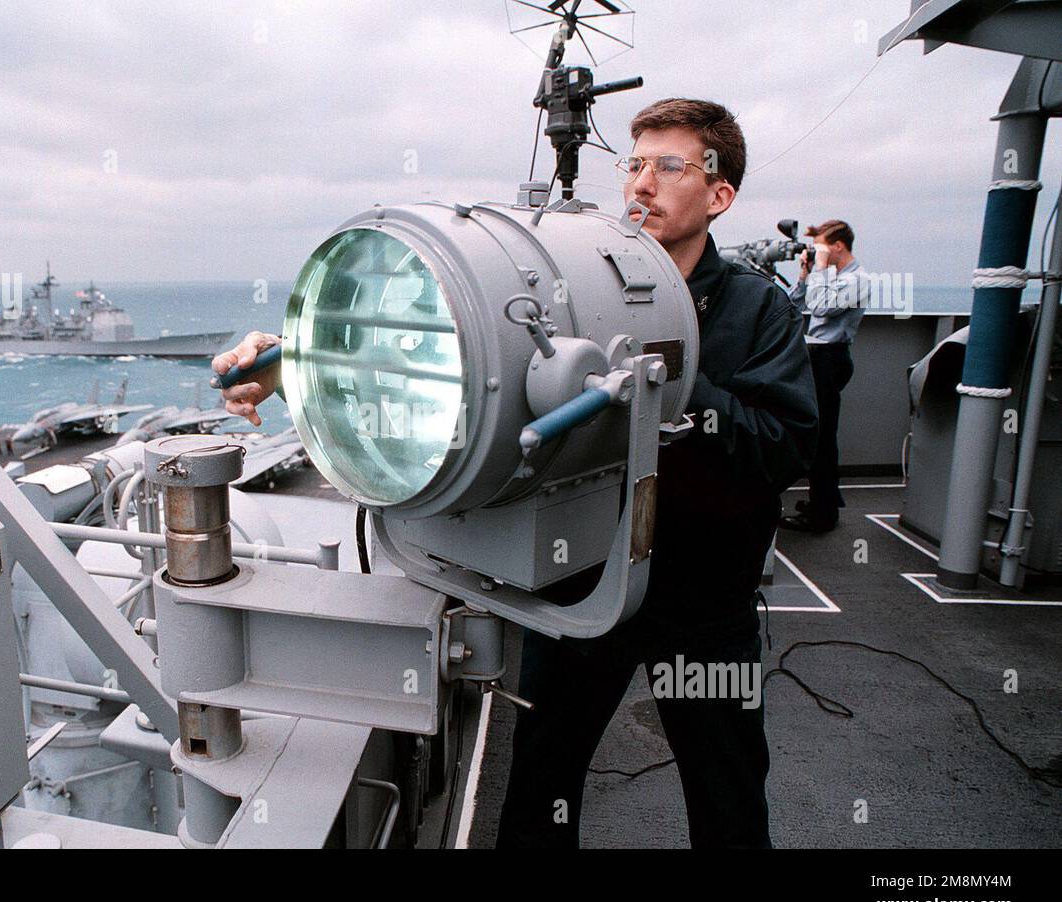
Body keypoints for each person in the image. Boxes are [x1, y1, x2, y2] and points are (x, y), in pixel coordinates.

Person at [212, 97, 818, 849]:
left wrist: (670, 388)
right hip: (583, 581)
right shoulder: (577, 285)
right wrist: (290, 362)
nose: (641, 185)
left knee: (725, 791)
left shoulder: (760, 311)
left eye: (670, 167)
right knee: (540, 782)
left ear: (720, 195)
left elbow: (784, 443)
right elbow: (458, 350)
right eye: (633, 164)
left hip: (704, 601)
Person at [780, 220, 869, 533]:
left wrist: (819, 267)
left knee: (821, 438)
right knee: (813, 433)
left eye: (820, 247)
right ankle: (824, 501)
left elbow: (820, 306)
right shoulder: (829, 276)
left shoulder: (858, 280)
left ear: (838, 247)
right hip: (814, 357)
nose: (817, 253)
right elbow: (795, 306)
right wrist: (805, 275)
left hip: (830, 359)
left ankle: (823, 513)